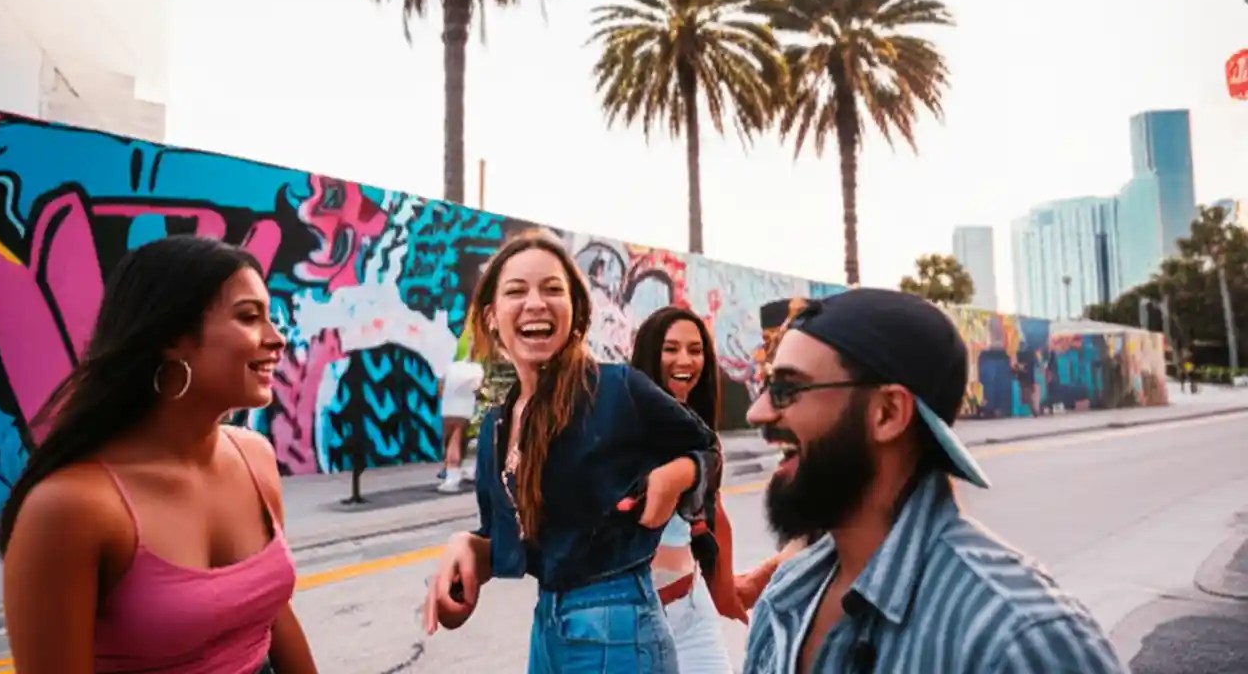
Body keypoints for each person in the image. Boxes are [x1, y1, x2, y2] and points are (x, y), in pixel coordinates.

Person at [742, 289, 1126, 673]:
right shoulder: (788, 595)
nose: (757, 413)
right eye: (767, 386)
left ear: (888, 413)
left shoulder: (1018, 635)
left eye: (786, 389)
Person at [0, 235, 318, 674]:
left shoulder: (255, 459)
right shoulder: (71, 508)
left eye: (271, 318)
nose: (277, 339)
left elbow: (272, 615)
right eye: (249, 317)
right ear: (172, 337)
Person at [421, 229, 721, 673]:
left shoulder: (619, 390)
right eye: (516, 291)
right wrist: (467, 549)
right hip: (548, 627)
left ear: (576, 311)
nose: (536, 303)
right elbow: (524, 547)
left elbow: (707, 450)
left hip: (619, 628)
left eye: (552, 289)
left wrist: (677, 474)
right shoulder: (495, 430)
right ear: (491, 316)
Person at [630, 306, 739, 672]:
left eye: (695, 350)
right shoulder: (621, 423)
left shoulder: (697, 430)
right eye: (671, 348)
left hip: (690, 610)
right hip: (628, 621)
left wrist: (725, 589)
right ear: (650, 353)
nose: (685, 360)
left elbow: (714, 513)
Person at [437, 356, 485, 494]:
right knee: (458, 441)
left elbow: (440, 388)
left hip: (448, 409)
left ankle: (451, 471)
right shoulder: (478, 369)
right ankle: (453, 476)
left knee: (449, 442)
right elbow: (478, 389)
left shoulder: (451, 366)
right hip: (464, 409)